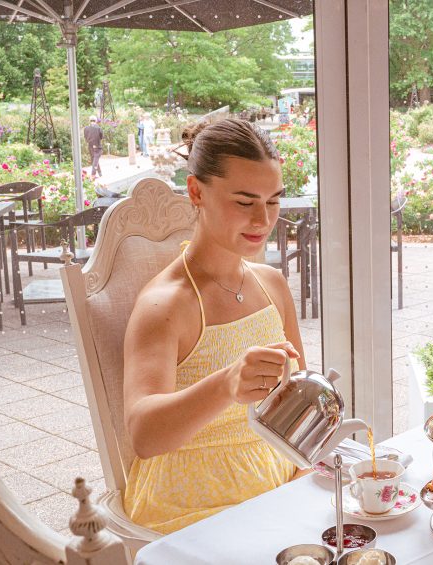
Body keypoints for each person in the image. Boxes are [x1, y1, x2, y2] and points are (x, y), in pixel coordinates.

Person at [122, 118, 304, 534]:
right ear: (196, 191)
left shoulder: (272, 285)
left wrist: (306, 474)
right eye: (244, 202)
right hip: (188, 507)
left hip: (276, 487)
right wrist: (226, 385)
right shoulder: (165, 304)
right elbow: (144, 436)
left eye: (273, 201)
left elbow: (296, 408)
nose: (263, 219)